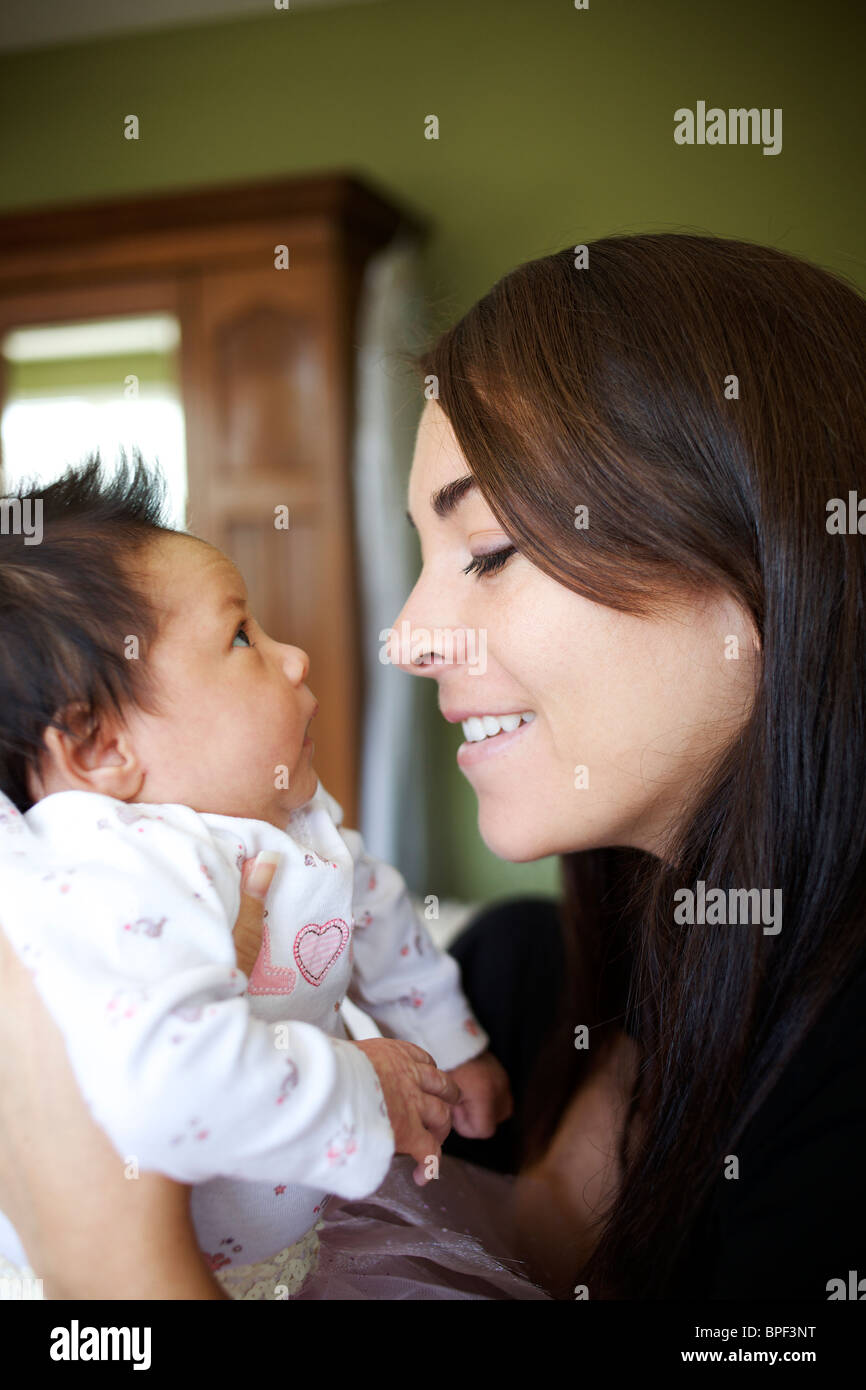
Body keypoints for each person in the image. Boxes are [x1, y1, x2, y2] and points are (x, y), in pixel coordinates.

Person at [2, 231, 865, 1300]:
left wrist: (105, 1247)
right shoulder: (580, 971)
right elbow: (544, 1241)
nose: (404, 639)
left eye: (490, 553)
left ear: (763, 545)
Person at [0, 458, 548, 1301]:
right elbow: (169, 1082)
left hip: (297, 1229)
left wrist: (449, 1041)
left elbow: (376, 909)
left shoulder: (288, 815)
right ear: (101, 749)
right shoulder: (115, 865)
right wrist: (368, 1085)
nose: (293, 659)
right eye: (242, 638)